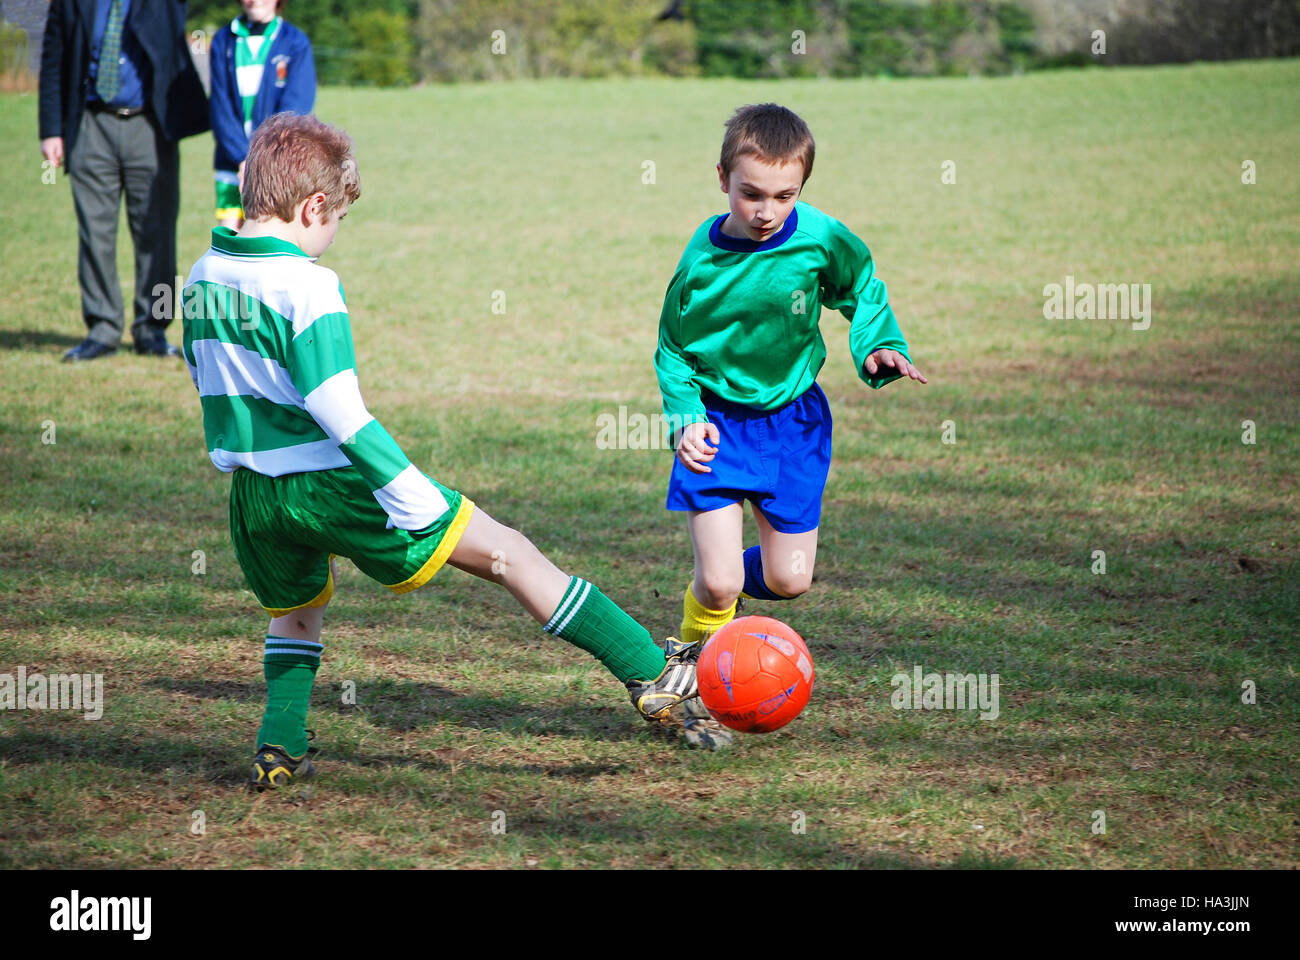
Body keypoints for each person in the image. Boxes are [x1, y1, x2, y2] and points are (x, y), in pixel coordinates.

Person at [180, 113, 697, 790]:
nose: (334, 233)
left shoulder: (202, 273)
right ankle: (651, 670)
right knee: (510, 553)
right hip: (331, 484)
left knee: (298, 608)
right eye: (335, 217)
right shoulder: (306, 285)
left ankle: (278, 749)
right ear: (312, 207)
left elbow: (205, 376)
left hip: (254, 498)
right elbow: (341, 411)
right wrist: (410, 497)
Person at [654, 103, 928, 749]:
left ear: (802, 187)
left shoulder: (822, 238)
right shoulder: (701, 260)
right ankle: (690, 656)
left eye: (784, 195)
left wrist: (876, 346)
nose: (766, 210)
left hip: (795, 426)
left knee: (789, 579)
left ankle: (723, 604)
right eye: (750, 193)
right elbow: (672, 350)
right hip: (718, 424)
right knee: (718, 579)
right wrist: (686, 419)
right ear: (722, 177)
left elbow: (862, 287)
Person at [38, 0, 209, 362]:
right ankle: (102, 329)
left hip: (151, 125)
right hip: (90, 122)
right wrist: (51, 128)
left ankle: (154, 330)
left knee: (158, 234)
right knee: (95, 233)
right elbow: (54, 55)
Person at [209, 0, 315, 229]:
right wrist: (242, 159)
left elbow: (294, 110)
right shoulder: (223, 41)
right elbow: (220, 108)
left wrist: (261, 159)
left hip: (275, 163)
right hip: (232, 162)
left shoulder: (295, 42)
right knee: (229, 237)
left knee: (268, 233)